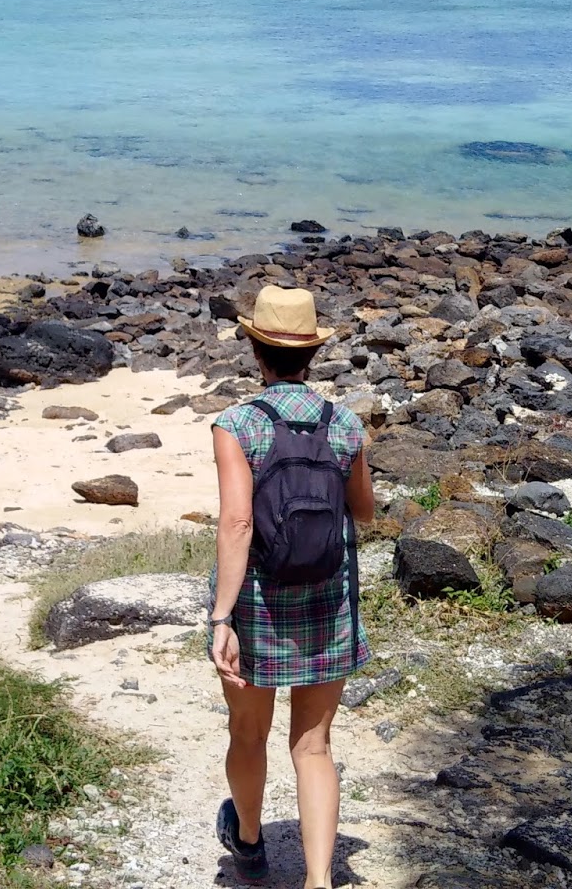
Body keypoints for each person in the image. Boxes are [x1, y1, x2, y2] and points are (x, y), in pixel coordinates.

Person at [208, 285, 375, 889]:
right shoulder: (345, 424)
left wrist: (221, 617)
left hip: (256, 603)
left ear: (256, 351)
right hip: (328, 599)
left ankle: (250, 845)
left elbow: (237, 523)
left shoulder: (237, 425)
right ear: (312, 355)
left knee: (248, 733)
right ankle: (320, 880)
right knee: (314, 745)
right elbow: (364, 513)